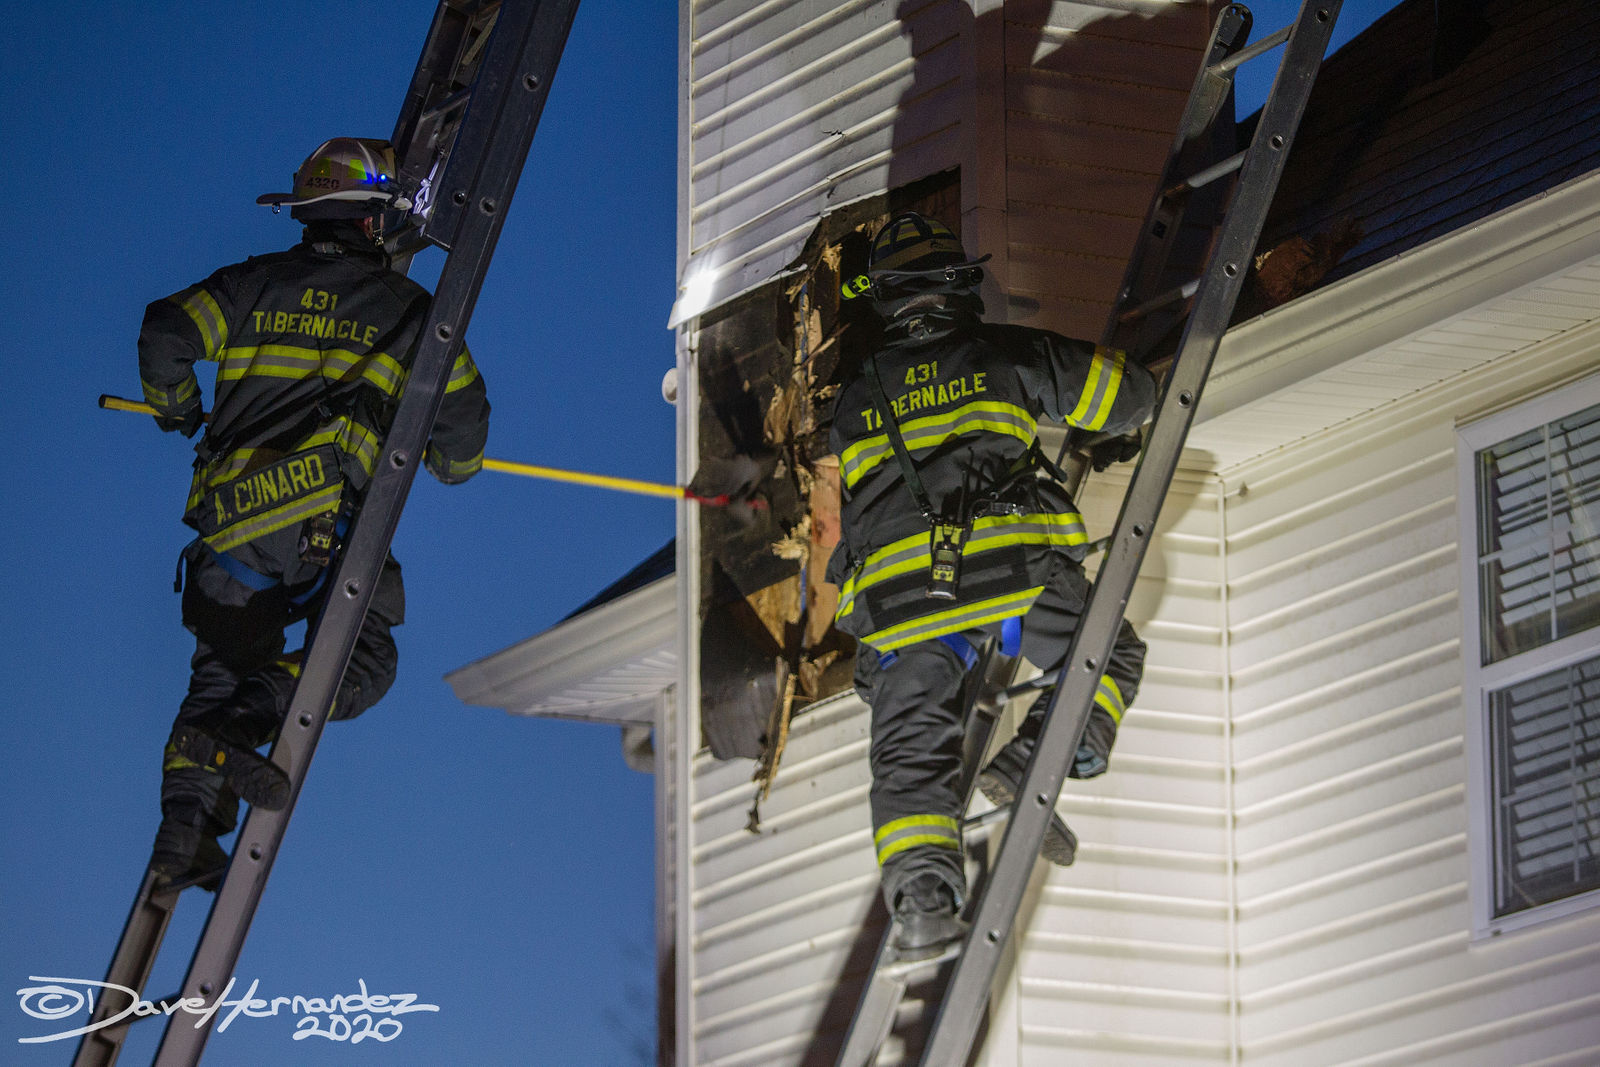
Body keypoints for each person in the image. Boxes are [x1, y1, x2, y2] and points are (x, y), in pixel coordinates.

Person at [137, 137, 490, 889]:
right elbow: (462, 442)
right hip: (322, 539)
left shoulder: (249, 284)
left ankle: (183, 835)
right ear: (373, 222)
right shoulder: (412, 314)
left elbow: (166, 330)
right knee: (365, 657)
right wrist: (442, 459)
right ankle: (247, 724)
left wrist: (179, 409)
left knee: (215, 671)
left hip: (230, 532)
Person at [825, 212, 1154, 957]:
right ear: (958, 285)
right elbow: (1128, 394)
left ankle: (924, 908)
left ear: (885, 300)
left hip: (905, 613)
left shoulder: (851, 402)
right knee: (1109, 658)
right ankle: (1040, 758)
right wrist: (1114, 424)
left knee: (911, 752)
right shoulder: (1000, 356)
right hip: (1010, 576)